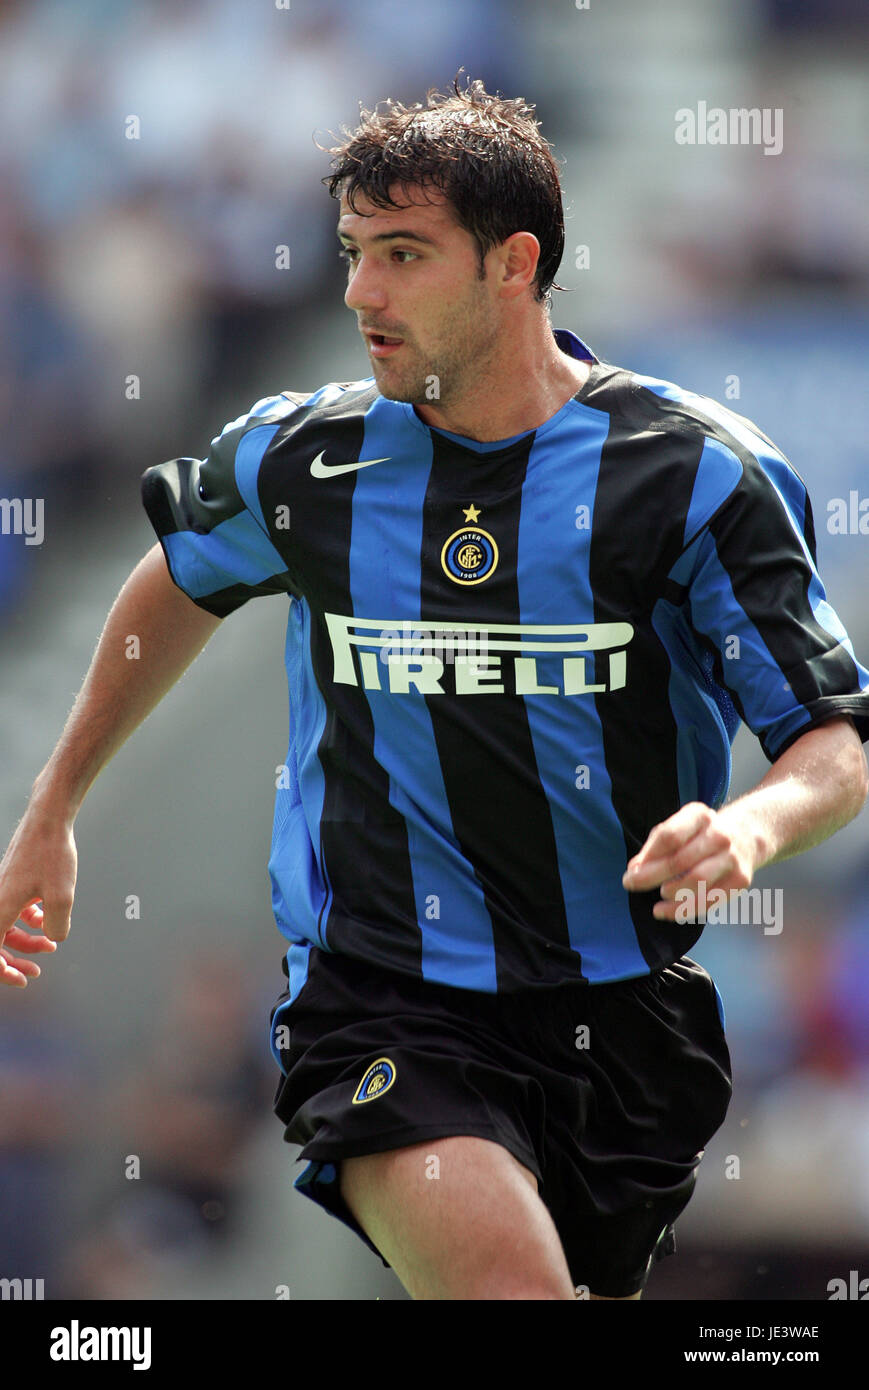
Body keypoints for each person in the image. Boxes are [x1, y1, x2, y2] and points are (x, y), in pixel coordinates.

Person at [2, 77, 868, 1303]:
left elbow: (831, 743)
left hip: (622, 1020)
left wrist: (744, 826)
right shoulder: (305, 458)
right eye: (354, 253)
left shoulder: (693, 480)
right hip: (381, 999)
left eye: (402, 255)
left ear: (513, 264)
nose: (360, 292)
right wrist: (55, 803)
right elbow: (174, 578)